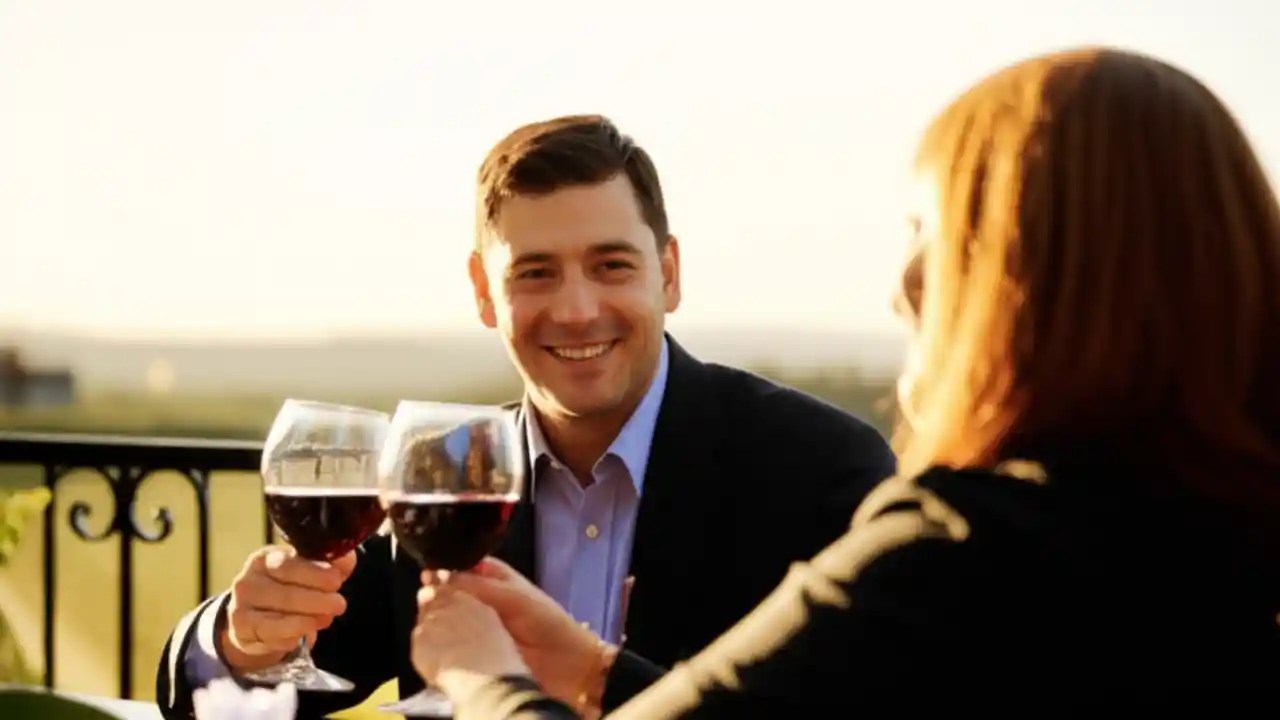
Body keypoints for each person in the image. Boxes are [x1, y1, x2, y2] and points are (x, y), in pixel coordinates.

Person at [406, 47, 1280, 717]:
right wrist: (595, 671)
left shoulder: (959, 551)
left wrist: (484, 680)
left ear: (1032, 278)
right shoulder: (1222, 529)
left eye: (932, 231)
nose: (905, 283)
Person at [153, 114, 897, 719]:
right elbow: (221, 690)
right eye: (534, 273)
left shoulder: (820, 472)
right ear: (484, 292)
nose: (575, 310)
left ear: (668, 274)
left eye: (611, 266)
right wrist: (240, 640)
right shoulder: (445, 473)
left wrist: (597, 679)